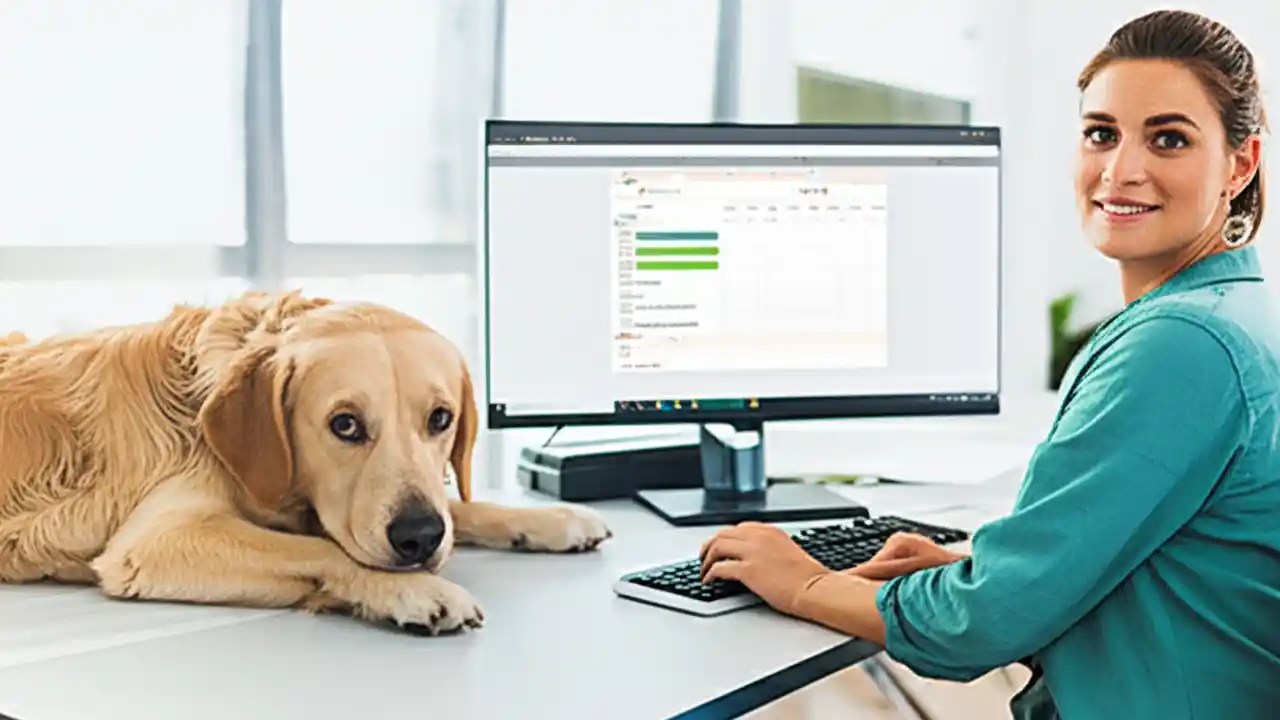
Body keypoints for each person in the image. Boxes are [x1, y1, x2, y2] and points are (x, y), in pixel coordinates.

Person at [698, 9, 1280, 719]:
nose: (1120, 170)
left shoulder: (1182, 345)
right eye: (1101, 133)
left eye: (1169, 139)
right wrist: (989, 575)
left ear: (1241, 163)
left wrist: (805, 582)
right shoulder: (1235, 311)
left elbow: (978, 626)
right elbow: (1180, 578)